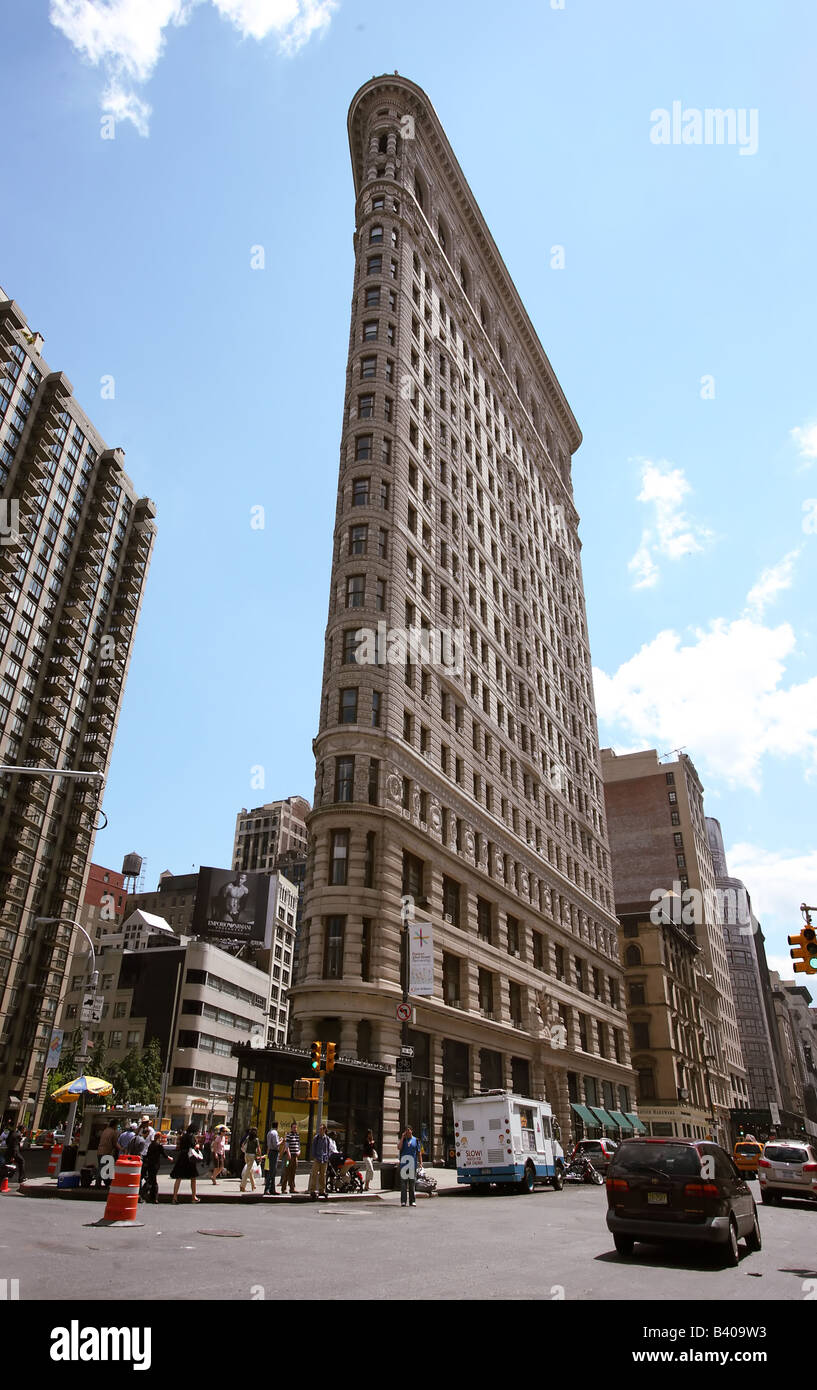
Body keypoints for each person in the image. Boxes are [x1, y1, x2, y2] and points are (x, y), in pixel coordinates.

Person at [171, 1124, 202, 1203]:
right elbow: (192, 1146)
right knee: (193, 1177)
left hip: (182, 1157)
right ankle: (193, 1197)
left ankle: (174, 1197)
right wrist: (197, 1145)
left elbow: (180, 1146)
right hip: (189, 1158)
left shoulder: (184, 1136)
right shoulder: (191, 1136)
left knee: (179, 1177)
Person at [142, 1133, 170, 1204]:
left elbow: (147, 1154)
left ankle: (151, 1197)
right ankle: (147, 1195)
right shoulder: (159, 1146)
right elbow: (164, 1154)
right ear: (159, 1138)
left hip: (150, 1165)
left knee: (151, 1179)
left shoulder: (151, 1145)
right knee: (152, 1181)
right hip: (155, 1165)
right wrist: (169, 1158)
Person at [398, 1125, 420, 1208]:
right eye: (406, 1131)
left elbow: (418, 1152)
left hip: (412, 1164)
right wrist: (402, 1138)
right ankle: (403, 1201)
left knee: (412, 1183)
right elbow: (399, 1147)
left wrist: (420, 1163)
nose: (407, 1132)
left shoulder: (416, 1140)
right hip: (404, 1164)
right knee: (403, 1184)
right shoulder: (403, 1140)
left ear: (411, 1131)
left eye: (408, 1130)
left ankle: (412, 1201)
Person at [308, 1124, 331, 1200]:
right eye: (319, 1129)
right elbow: (313, 1147)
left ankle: (322, 1190)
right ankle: (312, 1190)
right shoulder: (316, 1138)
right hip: (317, 1159)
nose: (320, 1131)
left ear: (324, 1130)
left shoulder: (327, 1139)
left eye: (321, 1129)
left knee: (323, 1175)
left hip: (324, 1159)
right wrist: (314, 1156)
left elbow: (328, 1149)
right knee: (314, 1174)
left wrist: (327, 1157)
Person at [94, 1120, 119, 1188]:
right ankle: (99, 1184)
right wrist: (122, 1149)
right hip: (106, 1152)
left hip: (99, 1151)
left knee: (101, 1167)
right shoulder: (113, 1132)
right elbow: (115, 1143)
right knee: (104, 1168)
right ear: (114, 1125)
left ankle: (100, 1183)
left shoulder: (105, 1130)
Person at [280, 1120, 300, 1194]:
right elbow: (286, 1145)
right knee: (287, 1171)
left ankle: (292, 1188)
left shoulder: (297, 1135)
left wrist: (299, 1151)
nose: (295, 1129)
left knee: (293, 1172)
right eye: (293, 1127)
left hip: (295, 1156)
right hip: (288, 1157)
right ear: (291, 1128)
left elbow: (298, 1145)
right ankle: (283, 1188)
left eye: (296, 1127)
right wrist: (288, 1154)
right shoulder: (289, 1135)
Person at [240, 1127, 261, 1192]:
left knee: (250, 1170)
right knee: (247, 1171)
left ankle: (253, 1185)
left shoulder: (248, 1138)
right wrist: (260, 1156)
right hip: (252, 1156)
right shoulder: (256, 1139)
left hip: (246, 1155)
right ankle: (242, 1186)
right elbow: (259, 1149)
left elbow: (243, 1145)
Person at [264, 1120, 280, 1196]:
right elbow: (276, 1144)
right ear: (277, 1126)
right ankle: (267, 1188)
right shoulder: (275, 1133)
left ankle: (272, 1189)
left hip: (270, 1151)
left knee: (272, 1171)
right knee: (272, 1171)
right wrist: (282, 1141)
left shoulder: (269, 1132)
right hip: (274, 1152)